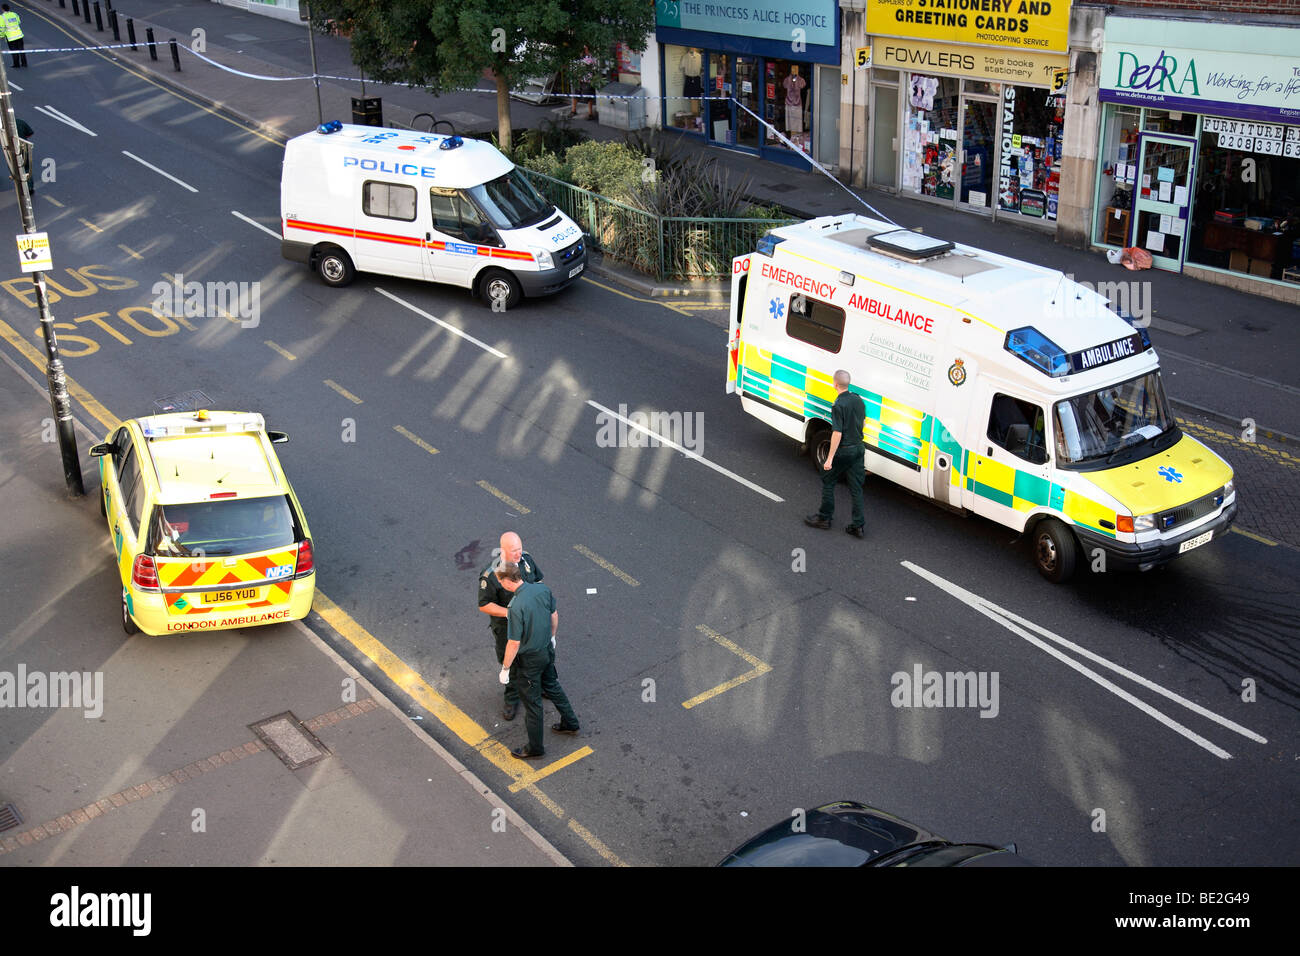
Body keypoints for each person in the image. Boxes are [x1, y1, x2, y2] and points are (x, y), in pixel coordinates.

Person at [497, 561, 580, 760]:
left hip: (529, 661)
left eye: (500, 581)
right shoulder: (541, 589)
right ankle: (571, 722)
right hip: (546, 650)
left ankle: (535, 747)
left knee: (533, 705)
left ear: (508, 581)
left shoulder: (516, 606)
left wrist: (505, 668)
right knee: (552, 686)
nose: (500, 585)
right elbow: (554, 615)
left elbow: (514, 643)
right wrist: (552, 637)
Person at [477, 532, 542, 721]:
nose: (518, 553)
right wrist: (509, 613)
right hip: (507, 628)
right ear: (502, 550)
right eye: (514, 550)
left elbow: (537, 581)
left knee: (535, 656)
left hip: (531, 623)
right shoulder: (490, 575)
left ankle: (542, 686)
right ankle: (512, 699)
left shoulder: (526, 560)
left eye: (520, 548)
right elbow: (484, 604)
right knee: (511, 663)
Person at [805, 369, 867, 537]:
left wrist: (829, 458)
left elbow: (837, 433)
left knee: (828, 479)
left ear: (835, 384)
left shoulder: (838, 405)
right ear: (848, 383)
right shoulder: (858, 400)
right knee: (856, 488)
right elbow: (862, 421)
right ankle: (858, 525)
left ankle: (824, 518)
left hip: (844, 450)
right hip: (859, 449)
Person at [1, 5, 25, 69]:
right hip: (19, 35)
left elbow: (2, 28)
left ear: (2, 9)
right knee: (21, 50)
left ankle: (16, 64)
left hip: (11, 37)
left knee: (14, 51)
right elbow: (19, 22)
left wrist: (1, 36)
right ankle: (24, 63)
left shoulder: (2, 17)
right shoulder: (15, 14)